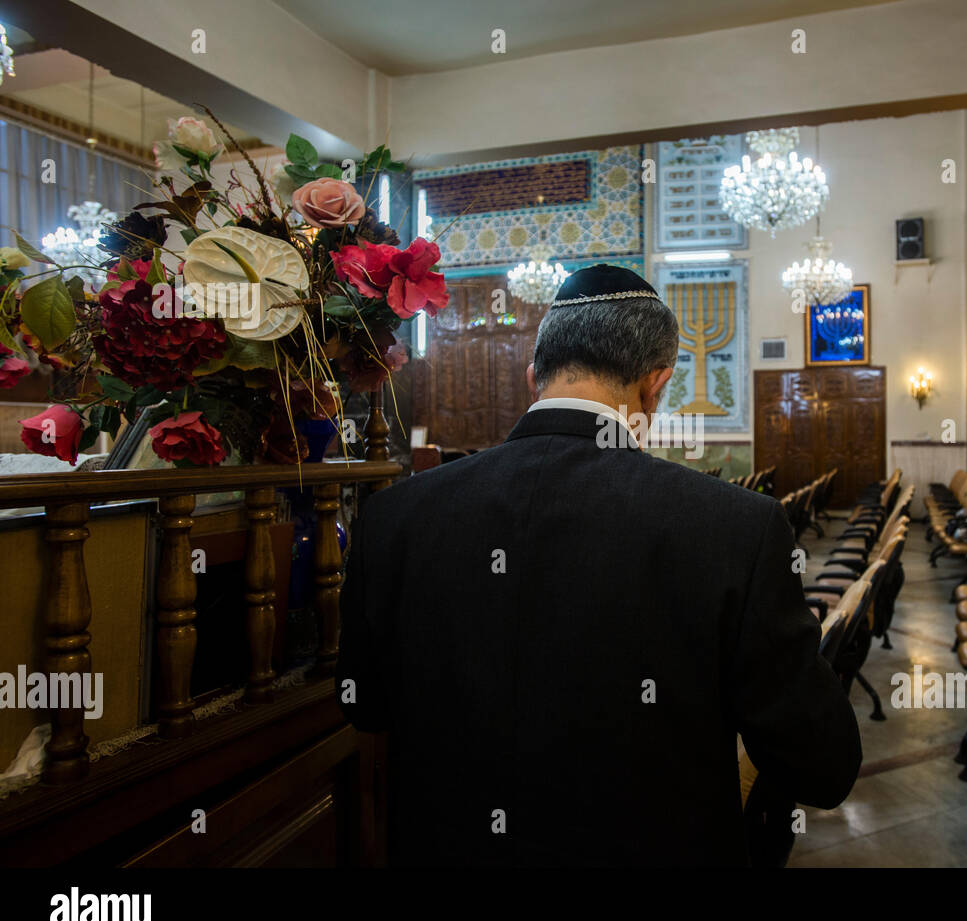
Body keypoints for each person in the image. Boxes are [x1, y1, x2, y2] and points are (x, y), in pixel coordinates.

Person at [337, 264, 861, 866]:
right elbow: (822, 767)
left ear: (534, 378)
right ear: (656, 386)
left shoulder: (394, 517)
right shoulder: (735, 527)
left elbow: (364, 705)